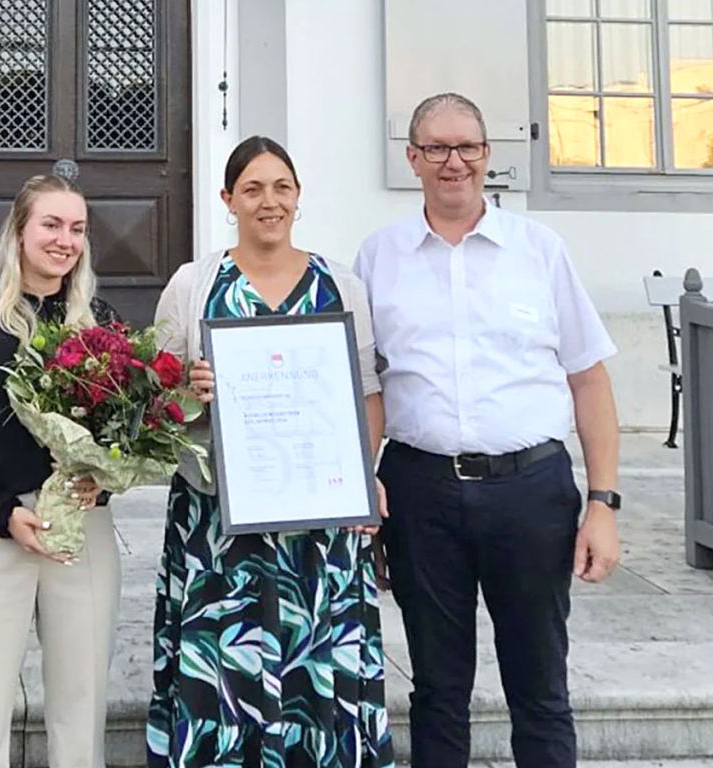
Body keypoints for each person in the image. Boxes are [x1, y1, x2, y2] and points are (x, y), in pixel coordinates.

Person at [355, 92, 622, 768]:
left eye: (467, 146)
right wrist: (358, 485)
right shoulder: (377, 257)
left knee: (540, 688)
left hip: (530, 491)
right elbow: (363, 386)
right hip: (421, 491)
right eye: (437, 148)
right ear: (412, 158)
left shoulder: (539, 250)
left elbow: (588, 380)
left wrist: (604, 504)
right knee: (438, 692)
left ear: (487, 154)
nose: (454, 162)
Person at [147, 135, 394, 768]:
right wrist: (188, 387)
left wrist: (363, 479)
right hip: (221, 526)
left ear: (298, 197)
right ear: (228, 199)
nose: (269, 202)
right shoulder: (194, 284)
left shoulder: (340, 285)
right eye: (253, 189)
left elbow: (366, 395)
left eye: (281, 188)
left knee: (318, 684)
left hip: (320, 526)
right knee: (224, 683)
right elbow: (157, 399)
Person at [0, 173, 121, 768]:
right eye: (52, 224)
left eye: (78, 229)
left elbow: (121, 431)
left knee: (81, 702)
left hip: (80, 533)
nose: (65, 240)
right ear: (19, 231)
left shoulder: (101, 322)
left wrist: (106, 473)